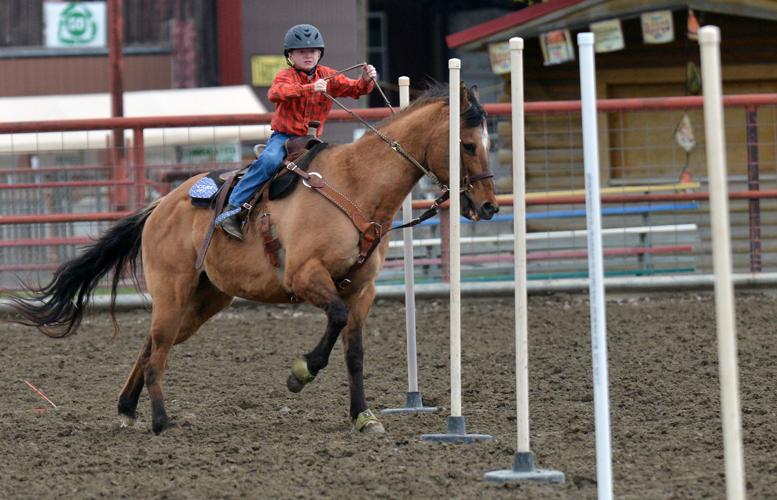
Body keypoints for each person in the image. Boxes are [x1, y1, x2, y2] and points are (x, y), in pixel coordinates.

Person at [219, 23, 377, 240]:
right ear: (291, 56)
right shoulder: (285, 76)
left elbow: (355, 89)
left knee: (332, 166)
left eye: (312, 51)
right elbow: (276, 93)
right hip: (283, 138)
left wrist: (366, 80)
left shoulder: (328, 76)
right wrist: (309, 88)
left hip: (312, 140)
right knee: (269, 161)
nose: (308, 55)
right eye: (302, 52)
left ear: (320, 53)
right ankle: (233, 208)